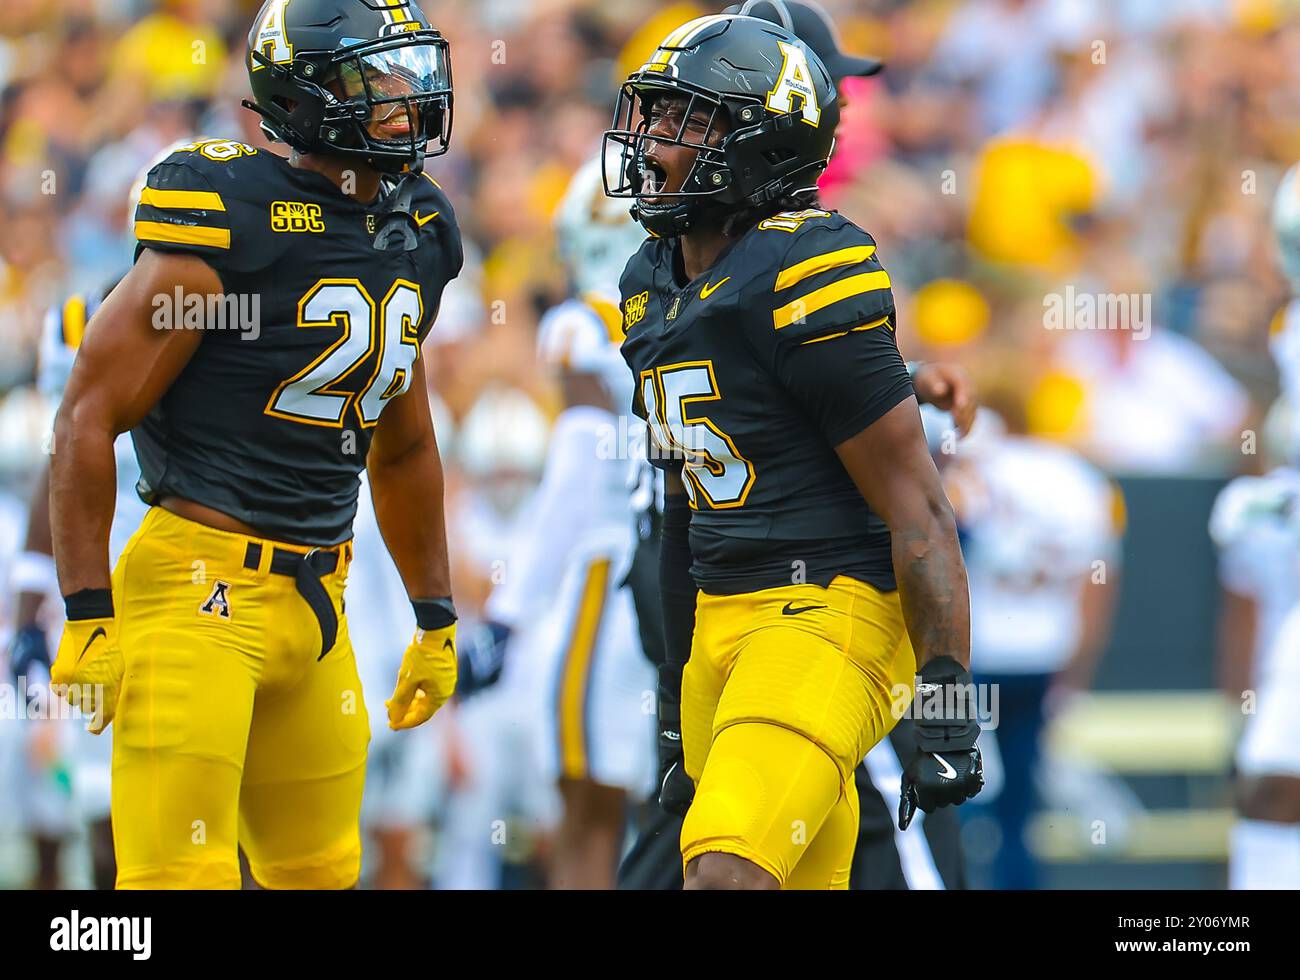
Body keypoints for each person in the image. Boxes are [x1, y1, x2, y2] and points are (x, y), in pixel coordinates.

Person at [48, 0, 462, 889]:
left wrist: (435, 616)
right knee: (176, 884)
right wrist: (85, 609)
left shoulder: (415, 228)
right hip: (199, 598)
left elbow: (403, 444)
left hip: (322, 599)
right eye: (377, 76)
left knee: (320, 873)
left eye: (409, 70)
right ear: (309, 92)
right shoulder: (231, 209)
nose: (407, 95)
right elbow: (88, 411)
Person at [605, 13, 982, 890]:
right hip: (719, 622)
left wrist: (946, 700)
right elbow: (679, 507)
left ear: (756, 140)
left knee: (726, 875)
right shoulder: (647, 280)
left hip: (825, 611)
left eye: (685, 121)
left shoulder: (807, 264)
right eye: (655, 116)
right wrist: (673, 690)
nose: (654, 140)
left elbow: (916, 501)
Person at [481, 153, 657, 889]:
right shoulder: (687, 308)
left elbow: (579, 472)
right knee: (668, 810)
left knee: (585, 814)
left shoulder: (581, 324)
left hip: (602, 584)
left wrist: (508, 612)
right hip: (675, 583)